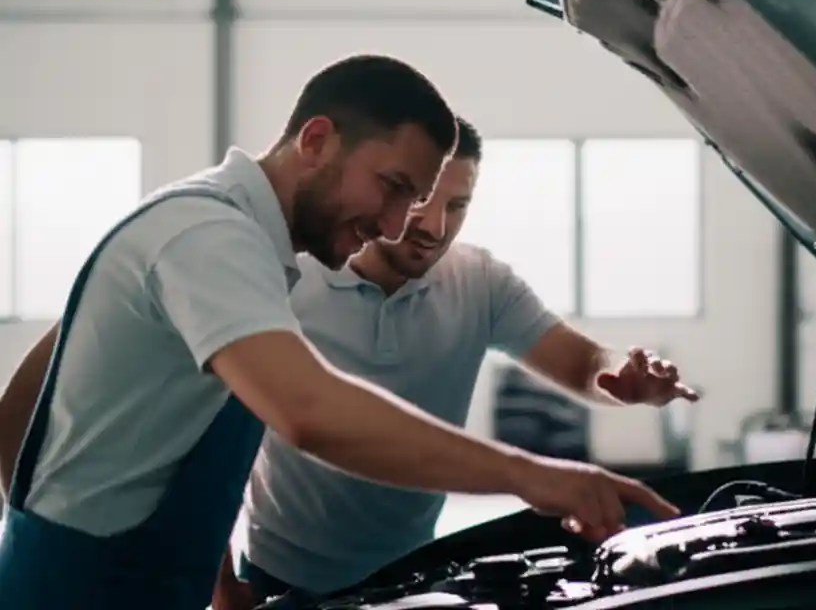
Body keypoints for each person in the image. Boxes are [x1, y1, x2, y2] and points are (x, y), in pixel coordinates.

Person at [0, 55, 678, 610]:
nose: (394, 226)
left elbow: (20, 411)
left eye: (418, 203)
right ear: (317, 140)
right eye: (391, 187)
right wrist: (534, 476)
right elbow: (309, 413)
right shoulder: (208, 237)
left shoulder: (241, 252)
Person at [210, 118, 699, 607]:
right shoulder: (287, 277)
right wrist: (225, 588)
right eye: (421, 199)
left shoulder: (480, 281)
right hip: (279, 575)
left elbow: (585, 362)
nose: (435, 226)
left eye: (458, 204)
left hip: (421, 572)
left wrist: (624, 377)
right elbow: (204, 440)